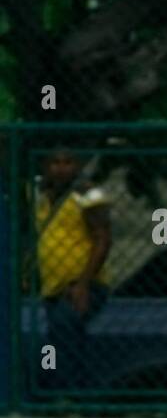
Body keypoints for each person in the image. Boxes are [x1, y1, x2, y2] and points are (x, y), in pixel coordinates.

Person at [32, 148, 112, 389]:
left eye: (67, 162)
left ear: (78, 165)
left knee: (63, 328)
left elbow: (103, 239)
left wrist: (84, 284)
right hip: (53, 288)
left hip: (83, 284)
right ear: (46, 167)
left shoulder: (87, 194)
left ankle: (71, 391)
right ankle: (54, 386)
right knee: (54, 342)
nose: (61, 168)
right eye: (55, 162)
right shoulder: (42, 196)